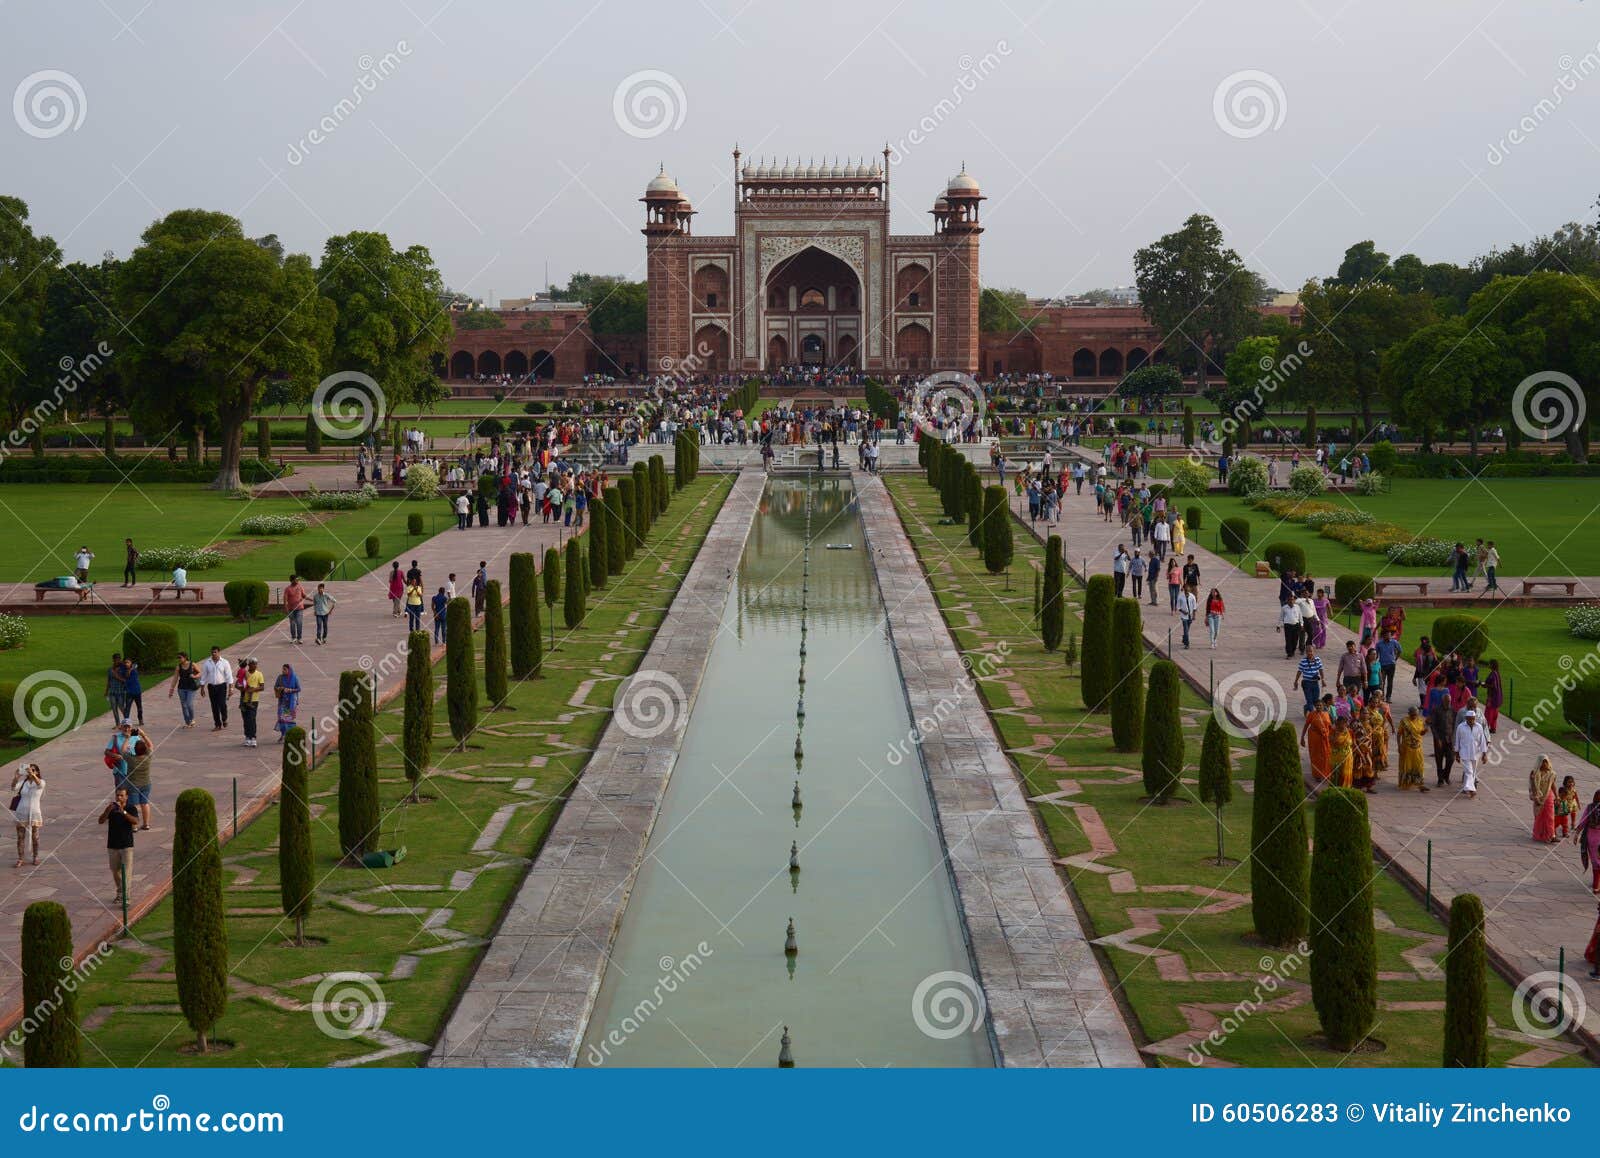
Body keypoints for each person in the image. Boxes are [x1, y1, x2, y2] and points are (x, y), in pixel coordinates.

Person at [99, 786, 139, 901]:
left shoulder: (131, 808)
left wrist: (123, 812)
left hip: (127, 845)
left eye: (122, 795)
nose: (119, 797)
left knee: (126, 872)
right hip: (112, 845)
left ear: (126, 797)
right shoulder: (111, 809)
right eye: (117, 795)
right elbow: (100, 821)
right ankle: (120, 892)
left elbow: (135, 821)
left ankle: (126, 897)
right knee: (115, 871)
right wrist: (107, 811)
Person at [10, 763, 43, 867]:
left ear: (37, 772)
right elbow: (13, 788)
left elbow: (39, 785)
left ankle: (35, 857)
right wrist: (16, 777)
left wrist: (32, 775)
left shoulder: (41, 782)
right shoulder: (23, 782)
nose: (30, 771)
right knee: (20, 837)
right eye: (29, 770)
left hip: (34, 812)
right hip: (21, 812)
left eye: (33, 770)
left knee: (35, 837)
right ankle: (20, 858)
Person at [1453, 707, 1488, 798]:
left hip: (1476, 753)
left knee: (1472, 772)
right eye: (1470, 719)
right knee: (1469, 771)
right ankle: (1472, 790)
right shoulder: (1461, 727)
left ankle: (1466, 788)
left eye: (1473, 719)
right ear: (1466, 718)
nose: (1472, 721)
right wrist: (1456, 753)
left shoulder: (1479, 727)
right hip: (1464, 753)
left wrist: (1484, 754)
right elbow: (1457, 740)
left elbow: (1482, 741)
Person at [124, 732, 153, 830]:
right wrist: (143, 735)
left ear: (135, 750)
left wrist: (128, 738)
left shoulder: (131, 760)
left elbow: (122, 750)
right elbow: (151, 745)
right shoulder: (148, 757)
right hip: (146, 783)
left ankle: (134, 825)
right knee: (145, 803)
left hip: (133, 785)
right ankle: (146, 824)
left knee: (134, 805)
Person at [200, 646, 232, 731]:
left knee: (222, 704)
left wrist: (230, 689)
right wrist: (202, 688)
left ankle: (224, 719)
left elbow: (229, 676)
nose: (213, 654)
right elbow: (204, 676)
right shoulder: (207, 663)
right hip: (211, 687)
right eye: (212, 652)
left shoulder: (224, 662)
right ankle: (217, 724)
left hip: (221, 686)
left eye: (215, 652)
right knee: (214, 706)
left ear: (219, 652)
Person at [1397, 706, 1427, 791]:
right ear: (1409, 714)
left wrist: (1424, 731)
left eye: (1416, 715)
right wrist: (1399, 745)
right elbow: (1399, 734)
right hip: (1407, 747)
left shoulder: (1420, 721)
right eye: (1412, 715)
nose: (1414, 716)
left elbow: (1421, 733)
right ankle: (1406, 783)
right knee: (1407, 766)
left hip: (1417, 748)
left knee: (1419, 766)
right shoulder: (1404, 721)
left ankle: (1420, 784)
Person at [1302, 703, 1332, 785]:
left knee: (1326, 755)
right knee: (1315, 755)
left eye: (1320, 705)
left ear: (1323, 706)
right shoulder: (1311, 714)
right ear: (1315, 706)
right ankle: (1317, 774)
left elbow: (1329, 726)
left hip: (1325, 738)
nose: (1318, 707)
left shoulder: (1326, 714)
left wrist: (1332, 736)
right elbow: (1306, 725)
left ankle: (1325, 773)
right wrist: (1302, 738)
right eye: (1317, 705)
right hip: (1314, 738)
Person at [1530, 756, 1558, 843]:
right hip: (1538, 796)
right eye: (1543, 762)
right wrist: (1536, 797)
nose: (1545, 764)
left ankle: (1552, 835)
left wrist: (1557, 796)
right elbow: (1532, 787)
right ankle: (1540, 834)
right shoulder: (1535, 773)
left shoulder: (1551, 773)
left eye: (1546, 762)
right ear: (1539, 763)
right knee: (1538, 815)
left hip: (1549, 796)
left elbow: (1553, 785)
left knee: (1550, 816)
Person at [168, 651, 200, 728]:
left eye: (180, 657)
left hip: (191, 688)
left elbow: (200, 673)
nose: (179, 659)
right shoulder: (178, 667)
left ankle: (192, 719)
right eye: (178, 658)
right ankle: (187, 722)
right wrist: (171, 689)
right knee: (184, 705)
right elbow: (175, 678)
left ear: (185, 657)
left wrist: (194, 676)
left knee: (189, 704)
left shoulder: (192, 664)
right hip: (181, 688)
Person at [239, 657, 265, 749]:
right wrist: (242, 688)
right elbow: (237, 684)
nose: (254, 665)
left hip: (254, 700)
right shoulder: (244, 673)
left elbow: (262, 687)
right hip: (243, 700)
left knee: (252, 718)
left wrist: (253, 689)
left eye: (255, 664)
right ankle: (247, 737)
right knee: (245, 719)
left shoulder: (259, 674)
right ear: (249, 665)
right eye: (252, 664)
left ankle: (253, 737)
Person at [1578, 791, 1600, 893]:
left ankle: (1596, 886)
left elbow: (1583, 821)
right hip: (1595, 837)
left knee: (1596, 863)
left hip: (1592, 838)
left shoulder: (1590, 807)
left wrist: (1577, 833)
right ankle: (1596, 885)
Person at [274, 664, 300, 742]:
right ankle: (283, 734)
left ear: (289, 670)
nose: (283, 671)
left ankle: (288, 735)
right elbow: (275, 686)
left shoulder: (294, 677)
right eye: (282, 669)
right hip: (283, 700)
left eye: (285, 669)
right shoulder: (280, 677)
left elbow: (298, 688)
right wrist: (280, 688)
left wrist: (290, 690)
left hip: (291, 701)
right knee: (281, 717)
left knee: (288, 718)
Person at [1294, 646, 1324, 714]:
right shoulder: (1303, 661)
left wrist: (1323, 679)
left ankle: (1306, 707)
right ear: (1306, 652)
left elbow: (1321, 669)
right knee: (1309, 700)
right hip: (1306, 683)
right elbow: (1299, 671)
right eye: (1308, 651)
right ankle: (1313, 715)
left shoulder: (1318, 659)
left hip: (1315, 682)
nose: (1309, 653)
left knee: (1316, 700)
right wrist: (1296, 681)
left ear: (1314, 651)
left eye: (1311, 651)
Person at [105, 652, 129, 725]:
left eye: (119, 659)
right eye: (116, 659)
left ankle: (127, 723)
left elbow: (126, 680)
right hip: (112, 692)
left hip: (120, 692)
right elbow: (109, 681)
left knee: (121, 707)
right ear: (113, 660)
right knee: (114, 709)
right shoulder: (110, 669)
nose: (118, 661)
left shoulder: (123, 669)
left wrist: (117, 677)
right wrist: (106, 691)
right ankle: (117, 724)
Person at [1329, 717, 1354, 789]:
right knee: (1336, 774)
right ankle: (1335, 789)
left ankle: (1346, 788)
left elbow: (1353, 743)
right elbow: (1331, 742)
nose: (1342, 725)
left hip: (1348, 757)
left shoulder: (1350, 731)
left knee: (1345, 774)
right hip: (1336, 757)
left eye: (1344, 723)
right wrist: (1337, 735)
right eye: (1340, 723)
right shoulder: (1333, 731)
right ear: (1337, 724)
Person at [284, 574, 307, 645]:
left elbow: (304, 595)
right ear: (292, 580)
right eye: (296, 579)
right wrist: (286, 610)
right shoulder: (287, 589)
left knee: (299, 623)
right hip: (291, 609)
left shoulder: (300, 587)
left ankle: (299, 638)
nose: (298, 581)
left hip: (299, 608)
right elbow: (285, 600)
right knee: (292, 624)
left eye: (298, 579)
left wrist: (312, 599)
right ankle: (293, 637)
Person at [1175, 584, 1197, 648]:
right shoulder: (1180, 596)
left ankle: (1184, 637)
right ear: (1184, 589)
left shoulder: (1192, 596)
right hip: (1184, 616)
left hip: (1190, 616)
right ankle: (1187, 644)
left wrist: (1194, 615)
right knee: (1185, 628)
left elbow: (1195, 606)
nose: (1187, 591)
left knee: (1187, 629)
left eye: (1188, 589)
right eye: (1186, 589)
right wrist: (1183, 611)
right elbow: (1178, 607)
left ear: (1189, 589)